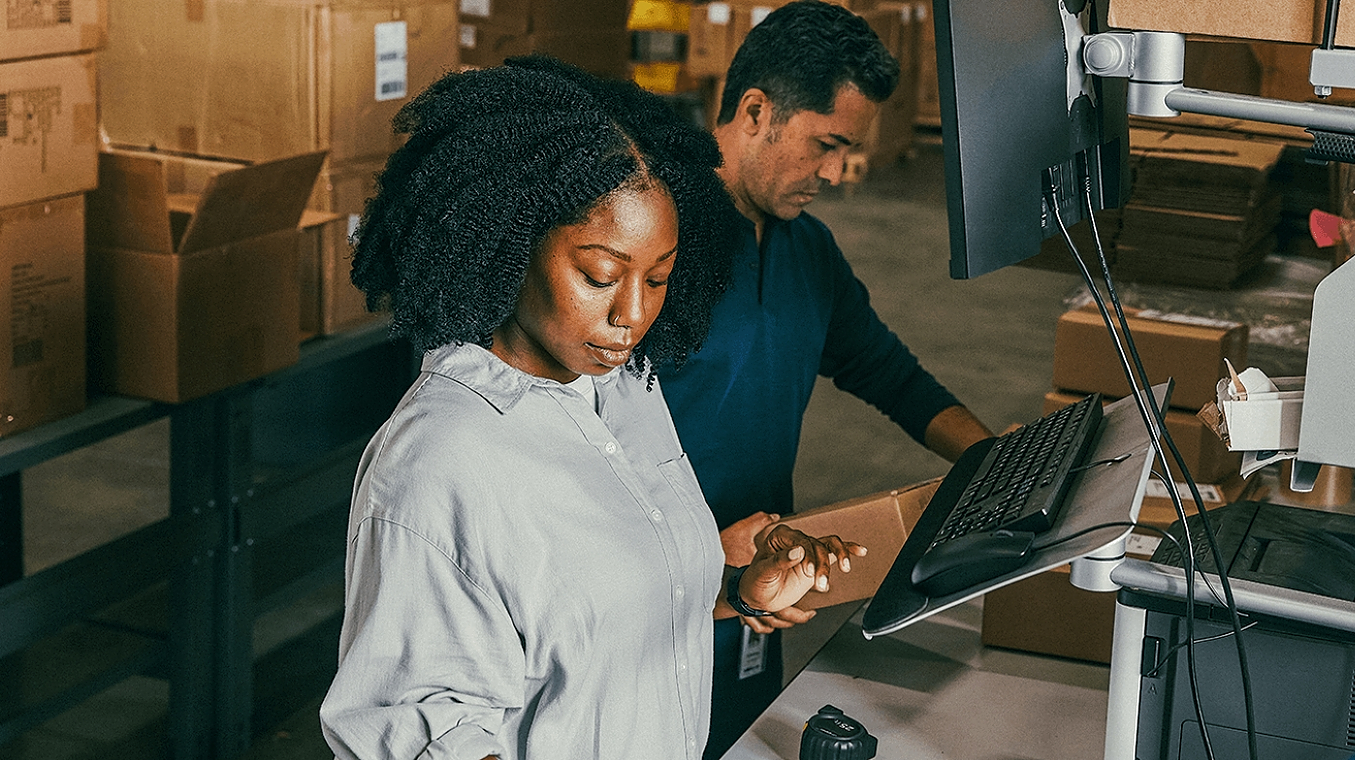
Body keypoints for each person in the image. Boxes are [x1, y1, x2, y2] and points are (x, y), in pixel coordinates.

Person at [318, 56, 865, 760]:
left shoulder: (622, 387)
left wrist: (738, 589)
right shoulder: (439, 464)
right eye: (599, 276)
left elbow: (586, 618)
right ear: (510, 243)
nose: (632, 316)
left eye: (660, 278)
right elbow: (417, 738)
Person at [652, 2, 997, 756]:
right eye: (827, 144)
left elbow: (887, 372)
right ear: (754, 112)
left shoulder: (808, 252)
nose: (839, 174)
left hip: (762, 581)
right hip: (651, 593)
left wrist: (993, 461)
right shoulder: (649, 245)